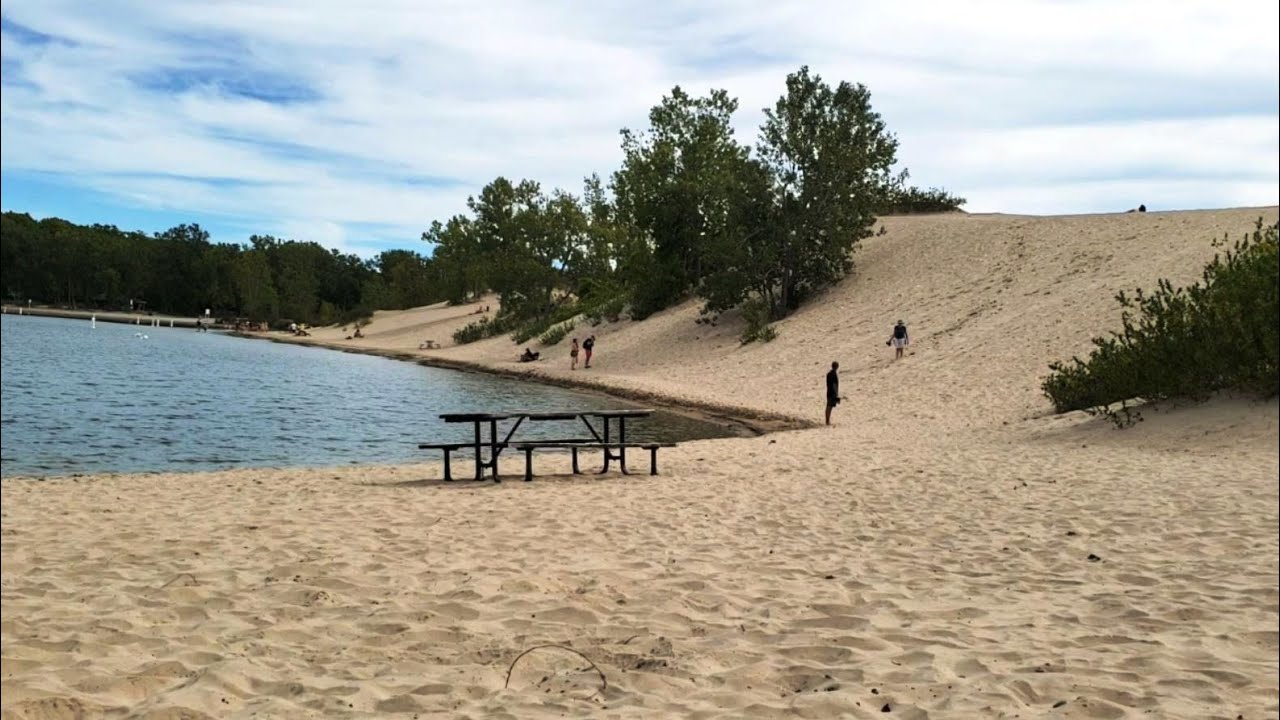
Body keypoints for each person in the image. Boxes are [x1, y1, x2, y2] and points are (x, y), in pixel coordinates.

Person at [825, 361, 840, 426]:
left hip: (828, 391)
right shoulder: (834, 374)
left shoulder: (828, 374)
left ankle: (827, 420)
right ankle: (827, 421)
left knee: (828, 406)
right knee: (829, 406)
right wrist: (835, 393)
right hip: (832, 392)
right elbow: (834, 384)